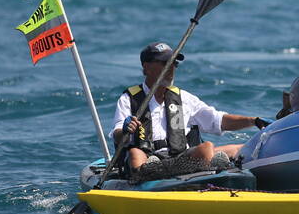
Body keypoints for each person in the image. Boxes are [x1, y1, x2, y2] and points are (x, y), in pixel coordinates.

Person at [112, 42, 266, 179]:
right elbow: (118, 135)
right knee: (135, 154)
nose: (171, 67)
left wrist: (253, 121)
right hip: (146, 157)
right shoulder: (129, 99)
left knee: (217, 148)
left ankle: (197, 172)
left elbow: (219, 121)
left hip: (180, 159)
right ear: (146, 67)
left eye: (174, 63)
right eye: (165, 62)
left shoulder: (183, 98)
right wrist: (125, 130)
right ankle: (152, 172)